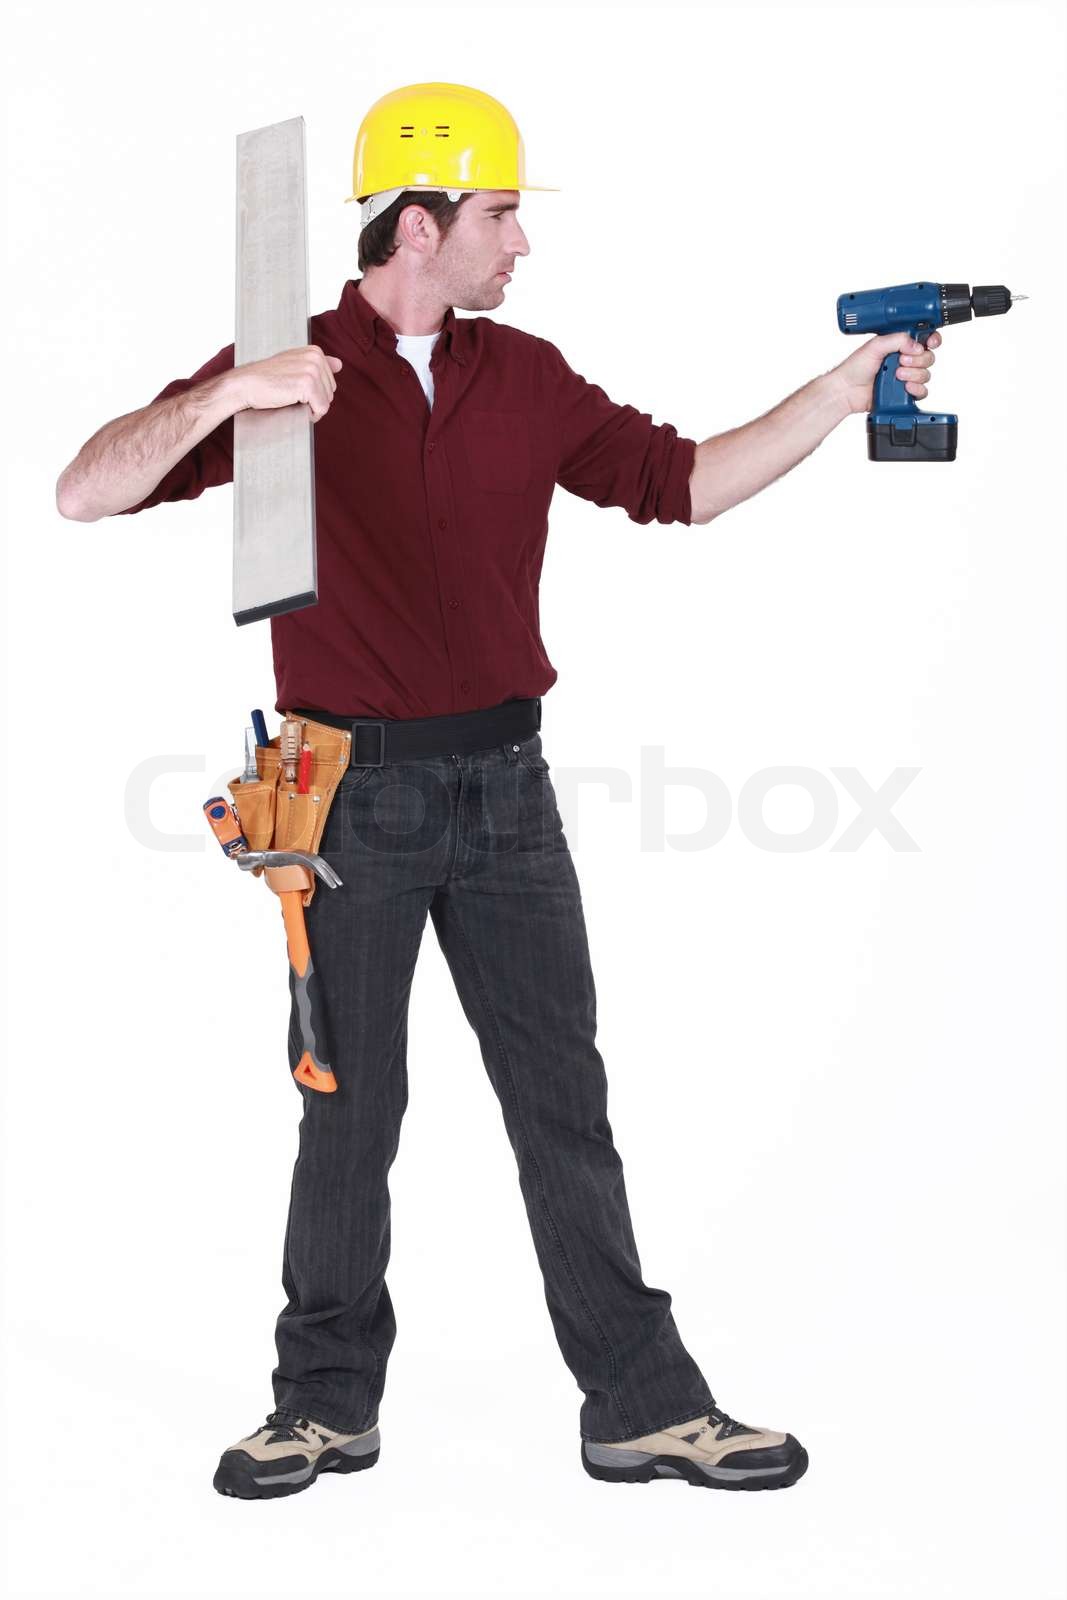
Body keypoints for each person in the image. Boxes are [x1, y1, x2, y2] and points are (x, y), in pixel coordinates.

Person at [56, 81, 939, 1501]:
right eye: (500, 214)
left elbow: (686, 483)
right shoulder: (287, 371)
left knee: (562, 1101)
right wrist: (225, 394)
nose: (519, 243)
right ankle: (322, 1406)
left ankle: (642, 1405)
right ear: (420, 224)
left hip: (508, 793)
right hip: (343, 798)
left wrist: (840, 396)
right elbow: (84, 493)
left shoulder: (523, 377)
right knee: (351, 1109)